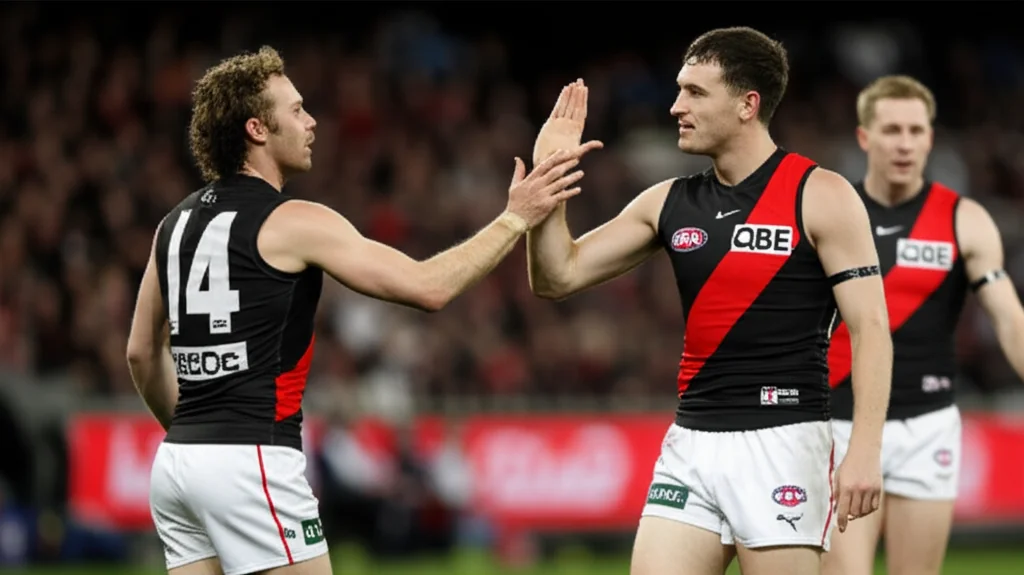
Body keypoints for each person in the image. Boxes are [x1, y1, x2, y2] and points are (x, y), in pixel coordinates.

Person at [125, 46, 600, 575]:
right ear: (257, 129)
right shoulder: (294, 220)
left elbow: (142, 353)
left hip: (178, 465)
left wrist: (196, 433)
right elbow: (427, 287)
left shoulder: (174, 225)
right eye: (297, 110)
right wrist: (515, 218)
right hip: (252, 456)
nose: (311, 122)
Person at [526, 27, 892, 575]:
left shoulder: (821, 194)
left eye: (695, 92)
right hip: (692, 443)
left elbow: (870, 328)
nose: (676, 106)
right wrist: (548, 183)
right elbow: (557, 276)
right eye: (679, 90)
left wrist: (864, 451)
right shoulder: (669, 202)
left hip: (784, 442)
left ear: (748, 105)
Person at [822, 75, 1024, 575]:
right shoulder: (831, 213)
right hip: (839, 422)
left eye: (917, 130)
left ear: (931, 138)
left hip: (927, 425)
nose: (905, 142)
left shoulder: (964, 220)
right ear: (865, 137)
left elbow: (1009, 318)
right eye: (892, 129)